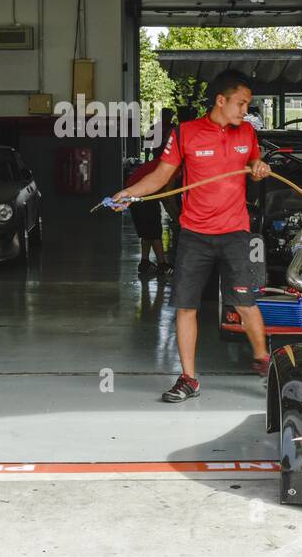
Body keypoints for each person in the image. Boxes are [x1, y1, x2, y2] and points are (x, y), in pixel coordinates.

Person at [110, 70, 271, 402]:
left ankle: (263, 360)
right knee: (186, 307)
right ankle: (188, 378)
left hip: (235, 233)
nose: (245, 111)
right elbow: (159, 177)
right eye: (241, 103)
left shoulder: (248, 134)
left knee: (243, 301)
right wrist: (128, 193)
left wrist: (259, 168)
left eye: (248, 105)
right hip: (194, 235)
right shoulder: (186, 133)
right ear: (221, 100)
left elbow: (255, 162)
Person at [123, 146, 170, 278]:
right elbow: (168, 198)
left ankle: (145, 261)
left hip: (134, 190)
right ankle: (162, 264)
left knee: (147, 230)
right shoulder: (171, 166)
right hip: (142, 193)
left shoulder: (162, 162)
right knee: (154, 230)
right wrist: (176, 218)